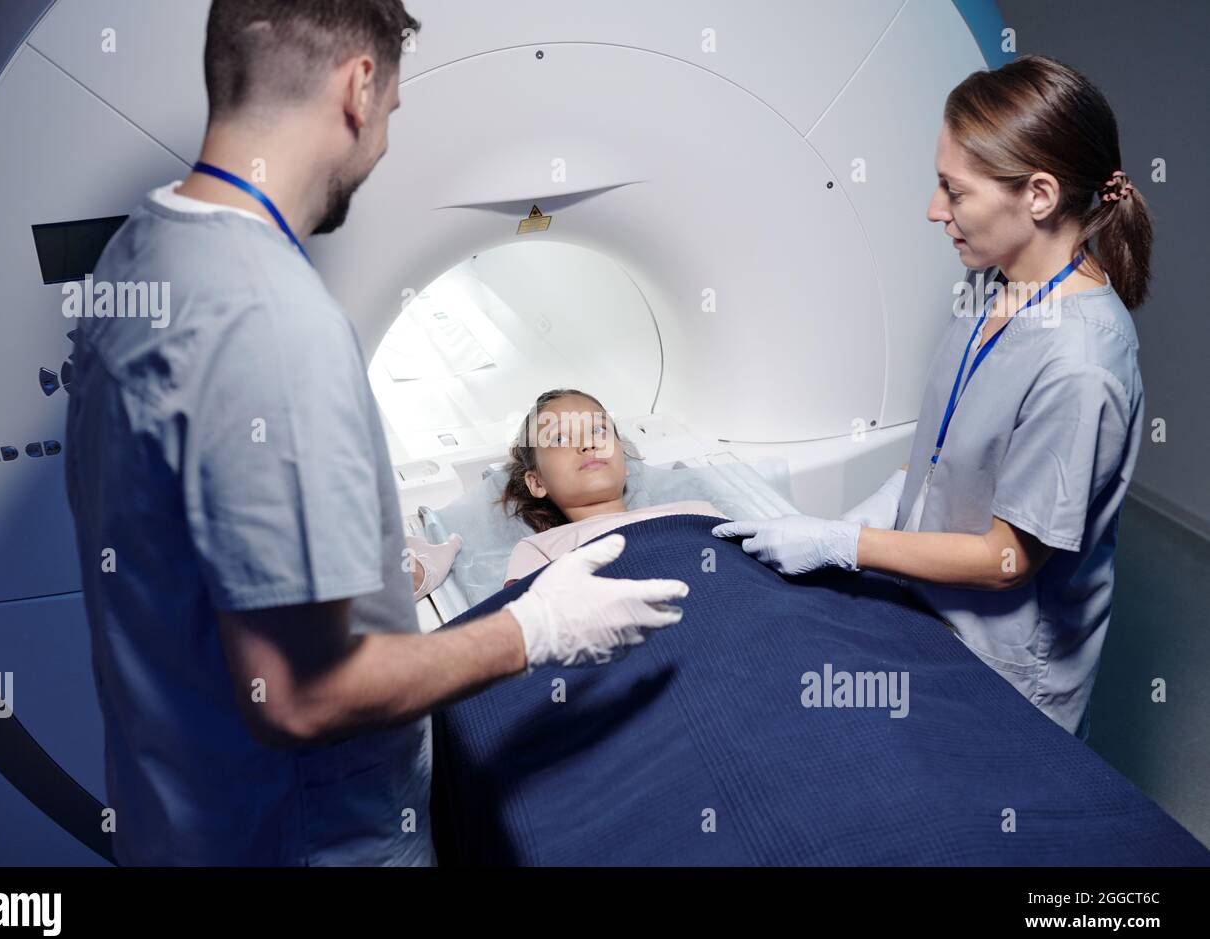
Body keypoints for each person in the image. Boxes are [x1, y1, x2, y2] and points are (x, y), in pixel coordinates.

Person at [63, 0, 687, 866]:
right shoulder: (274, 326)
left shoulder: (141, 252)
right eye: (390, 112)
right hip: (304, 841)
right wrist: (533, 630)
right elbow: (299, 698)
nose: (384, 142)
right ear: (359, 87)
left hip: (179, 810)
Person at [714, 55, 1150, 742]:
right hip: (925, 619)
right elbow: (953, 450)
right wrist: (889, 502)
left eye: (954, 190)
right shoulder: (995, 282)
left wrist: (844, 542)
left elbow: (1006, 560)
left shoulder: (1082, 362)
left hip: (1004, 666)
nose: (933, 210)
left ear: (1037, 195)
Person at [499, 389, 727, 587]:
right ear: (537, 482)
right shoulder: (539, 548)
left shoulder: (700, 512)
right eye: (559, 439)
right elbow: (525, 623)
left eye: (598, 431)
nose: (589, 444)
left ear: (625, 462)